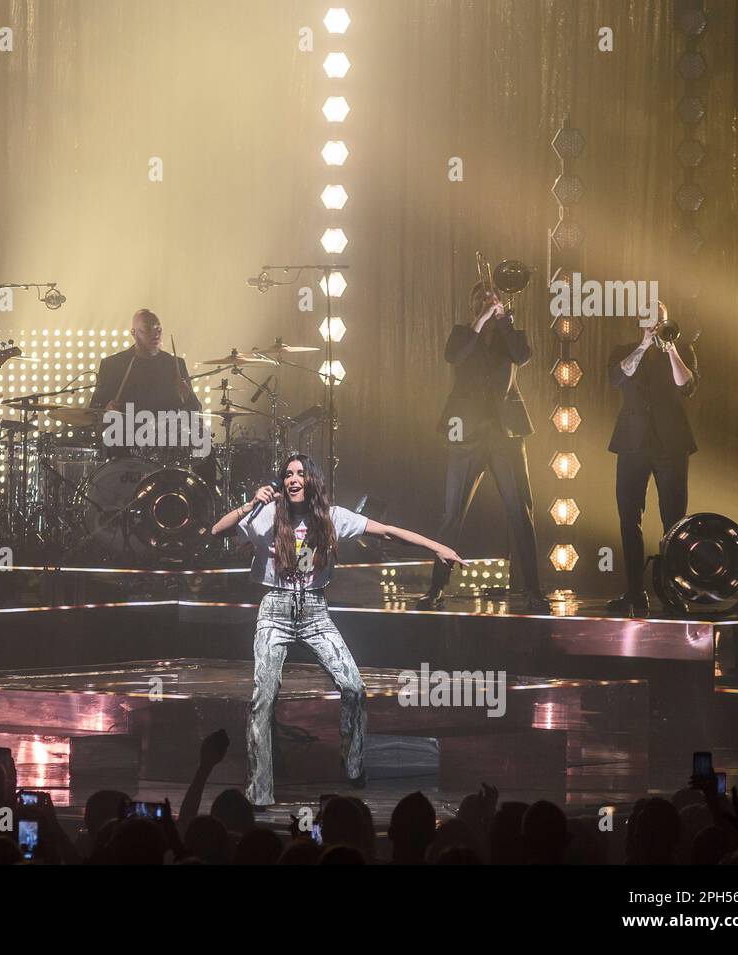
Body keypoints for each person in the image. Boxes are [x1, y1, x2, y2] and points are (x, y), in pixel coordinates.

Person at [211, 453, 465, 806]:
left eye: (300, 474)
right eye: (287, 474)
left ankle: (352, 760)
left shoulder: (332, 518)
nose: (293, 479)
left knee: (354, 687)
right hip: (275, 611)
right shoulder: (265, 514)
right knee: (263, 699)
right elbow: (217, 530)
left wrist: (437, 547)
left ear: (312, 481)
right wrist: (250, 503)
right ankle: (259, 791)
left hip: (315, 612)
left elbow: (388, 532)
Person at [419, 281, 548, 612]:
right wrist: (480, 321)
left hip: (506, 436)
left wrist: (503, 320)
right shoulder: (464, 333)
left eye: (494, 298)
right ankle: (436, 588)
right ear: (473, 304)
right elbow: (454, 356)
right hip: (467, 436)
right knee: (452, 515)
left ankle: (532, 590)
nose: (489, 302)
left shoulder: (510, 334)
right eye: (482, 299)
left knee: (521, 512)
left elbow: (523, 355)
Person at [606, 302, 697, 616]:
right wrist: (645, 345)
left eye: (660, 317)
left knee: (674, 520)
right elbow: (616, 378)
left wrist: (669, 348)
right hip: (632, 444)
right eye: (650, 318)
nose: (656, 322)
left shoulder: (681, 347)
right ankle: (635, 592)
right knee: (629, 518)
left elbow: (687, 385)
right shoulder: (624, 349)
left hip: (671, 444)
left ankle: (673, 591)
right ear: (639, 321)